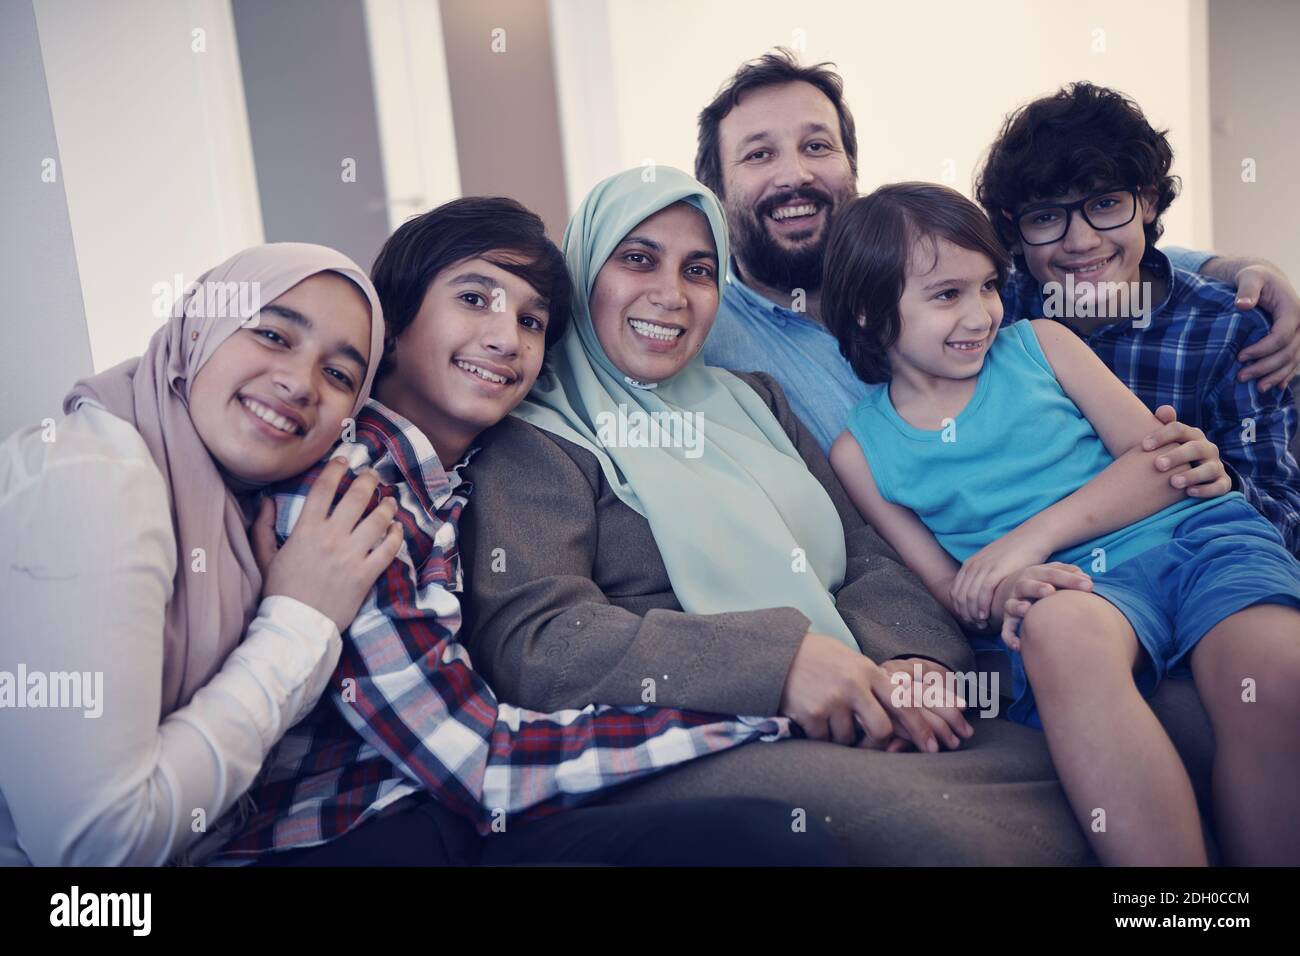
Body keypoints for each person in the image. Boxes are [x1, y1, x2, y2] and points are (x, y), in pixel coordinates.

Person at [459, 165, 1191, 865]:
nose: (671, 294)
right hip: (704, 726)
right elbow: (541, 642)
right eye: (639, 260)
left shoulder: (753, 400)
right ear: (584, 269)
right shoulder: (535, 435)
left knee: (1125, 755)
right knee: (947, 840)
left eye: (698, 270)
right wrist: (782, 664)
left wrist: (913, 659)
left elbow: (867, 554)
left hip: (868, 692)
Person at [216, 197, 845, 867]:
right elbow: (478, 763)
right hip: (352, 837)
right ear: (392, 325)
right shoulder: (354, 495)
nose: (506, 338)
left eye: (531, 320)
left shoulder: (462, 476)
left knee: (759, 838)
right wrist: (759, 710)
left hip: (447, 820)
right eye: (474, 298)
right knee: (765, 844)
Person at [824, 182, 1300, 865]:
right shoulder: (860, 451)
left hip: (1194, 540)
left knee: (1277, 670)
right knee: (1059, 635)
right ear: (871, 312)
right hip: (1071, 589)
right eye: (946, 295)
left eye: (988, 286)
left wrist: (1025, 540)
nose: (981, 313)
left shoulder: (1039, 346)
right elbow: (949, 588)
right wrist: (1002, 591)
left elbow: (1163, 466)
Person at [0, 243, 396, 865]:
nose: (299, 382)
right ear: (198, 330)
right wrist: (298, 623)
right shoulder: (96, 481)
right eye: (271, 334)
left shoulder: (237, 514)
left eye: (341, 375)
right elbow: (98, 851)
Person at [696, 49, 1300, 452]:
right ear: (716, 188)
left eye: (817, 146)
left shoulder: (945, 271)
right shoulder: (705, 332)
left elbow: (1072, 254)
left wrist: (1238, 271)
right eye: (758, 154)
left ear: (853, 166)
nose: (795, 175)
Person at [974, 81, 1300, 554]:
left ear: (1147, 201)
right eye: (1045, 217)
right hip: (1046, 579)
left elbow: (1287, 522)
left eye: (1105, 204)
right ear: (1013, 226)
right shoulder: (991, 313)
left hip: (1197, 568)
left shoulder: (1230, 331)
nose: (1081, 241)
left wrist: (1217, 479)